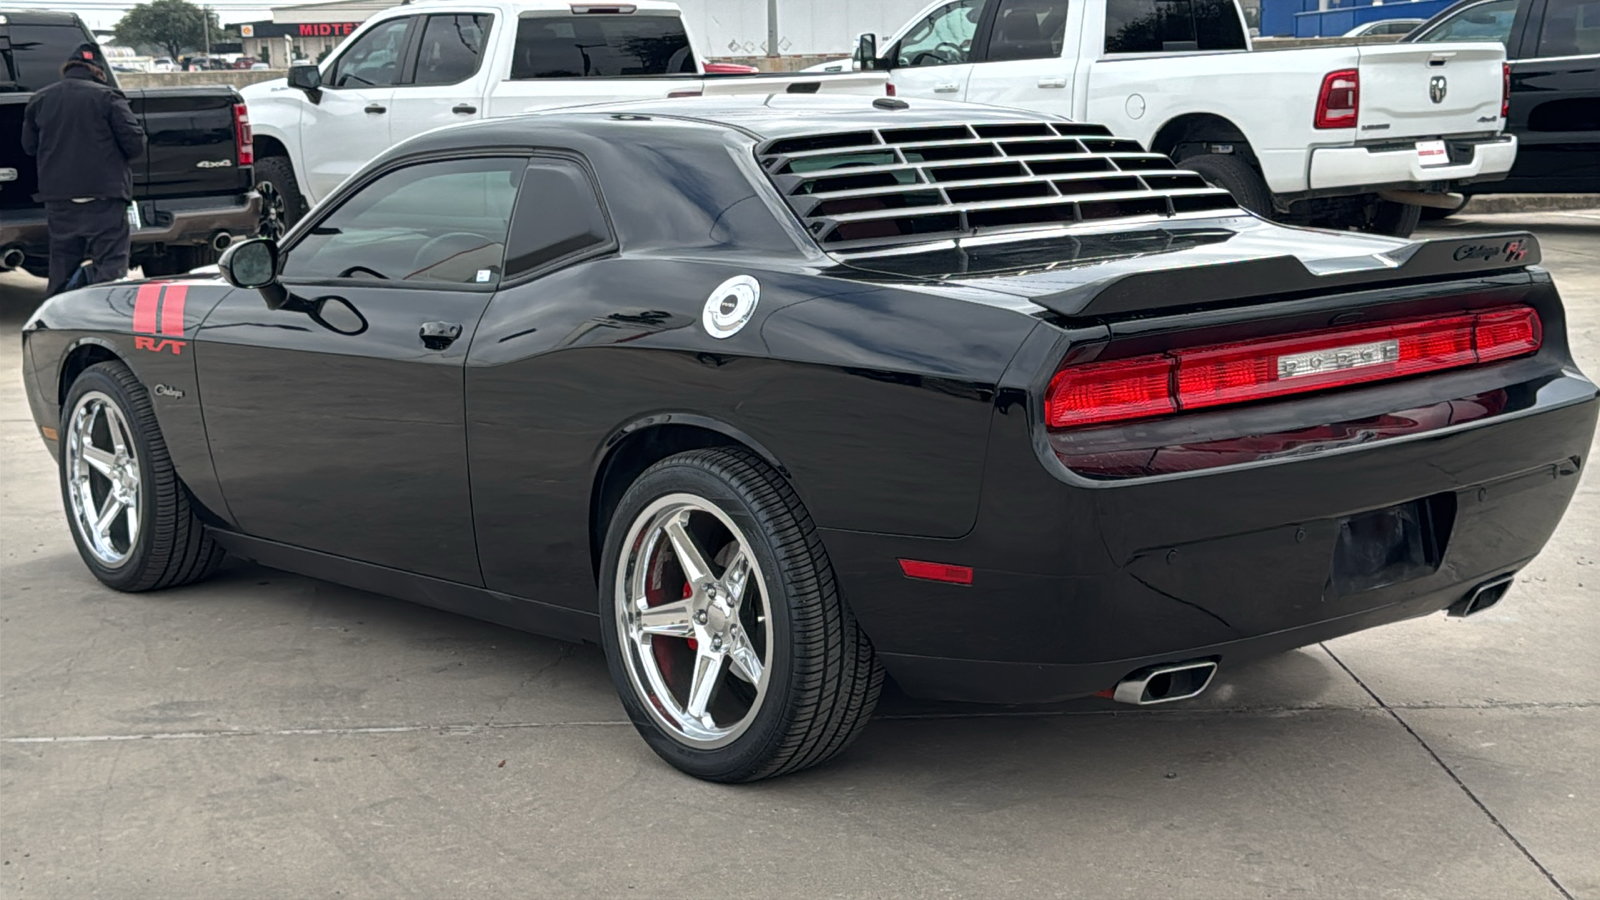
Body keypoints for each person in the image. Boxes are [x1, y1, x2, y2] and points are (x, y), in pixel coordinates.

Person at [20, 44, 146, 297]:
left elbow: (29, 147)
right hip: (105, 197)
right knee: (110, 265)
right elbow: (135, 143)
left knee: (62, 266)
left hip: (59, 199)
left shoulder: (40, 99)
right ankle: (104, 317)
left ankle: (56, 320)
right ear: (98, 71)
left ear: (68, 69)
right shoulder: (109, 97)